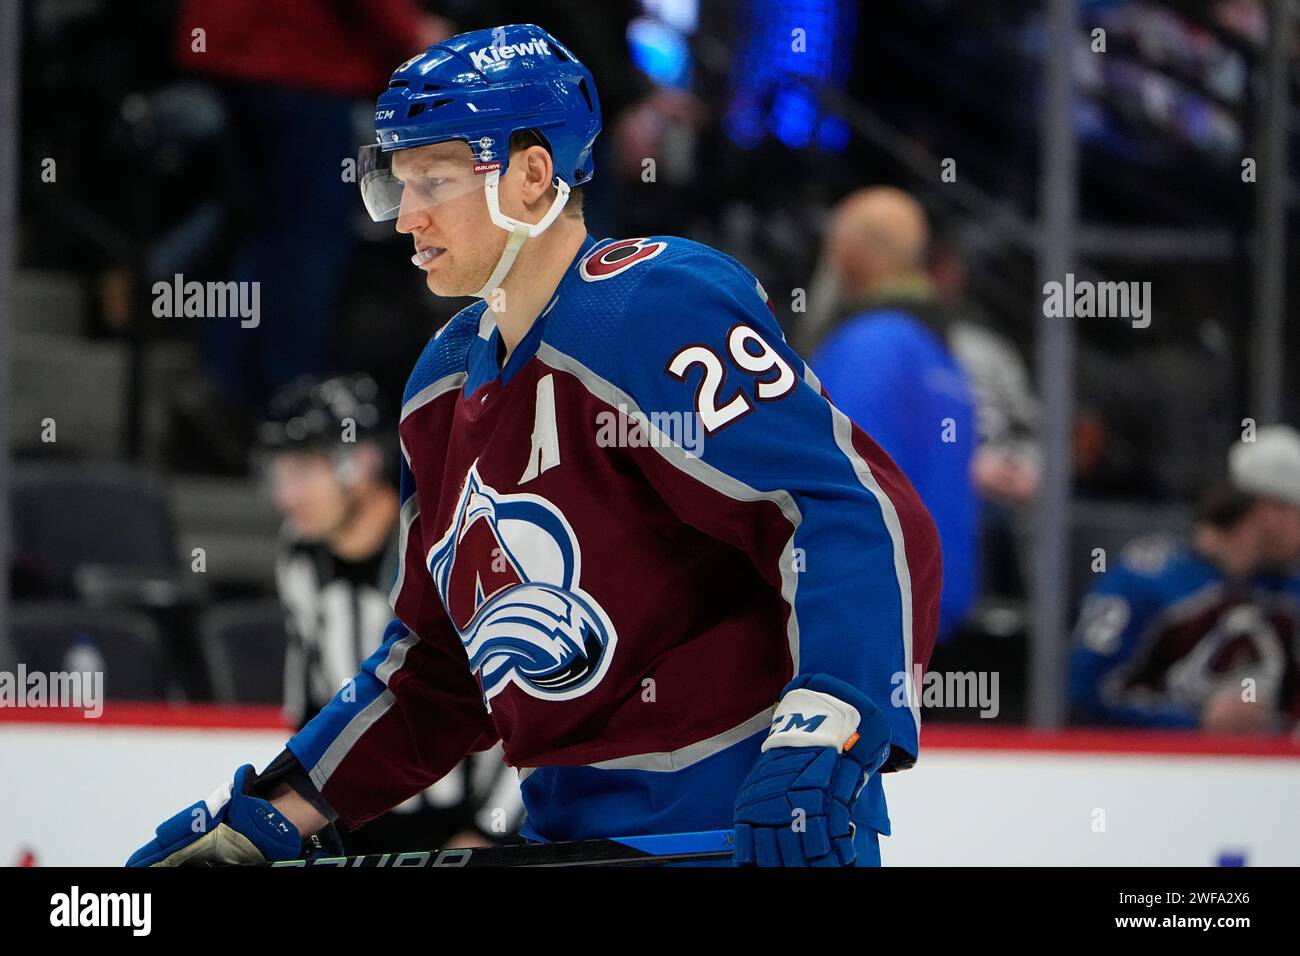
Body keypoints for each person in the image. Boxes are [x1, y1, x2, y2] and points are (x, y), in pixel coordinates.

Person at [127, 23, 941, 869]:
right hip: (568, 834)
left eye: (434, 180)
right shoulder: (440, 388)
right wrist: (269, 817)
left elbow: (847, 510)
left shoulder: (651, 304)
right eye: (397, 184)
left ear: (531, 174)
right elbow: (437, 666)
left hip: (743, 831)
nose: (407, 216)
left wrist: (829, 722)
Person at [256, 373, 522, 852]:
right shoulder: (297, 552)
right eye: (280, 475)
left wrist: (488, 831)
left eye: (302, 472)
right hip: (358, 821)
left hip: (469, 826)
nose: (286, 495)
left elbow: (518, 694)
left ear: (358, 463)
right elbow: (312, 696)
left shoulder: (443, 542)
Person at [806, 188, 978, 642]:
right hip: (931, 605)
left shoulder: (867, 346)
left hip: (869, 611)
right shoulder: (939, 353)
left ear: (851, 254)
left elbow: (842, 480)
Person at [1070, 425, 1300, 732]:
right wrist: (1195, 723)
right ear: (1269, 511)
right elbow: (1086, 695)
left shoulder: (1287, 592)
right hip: (1153, 773)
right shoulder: (1146, 579)